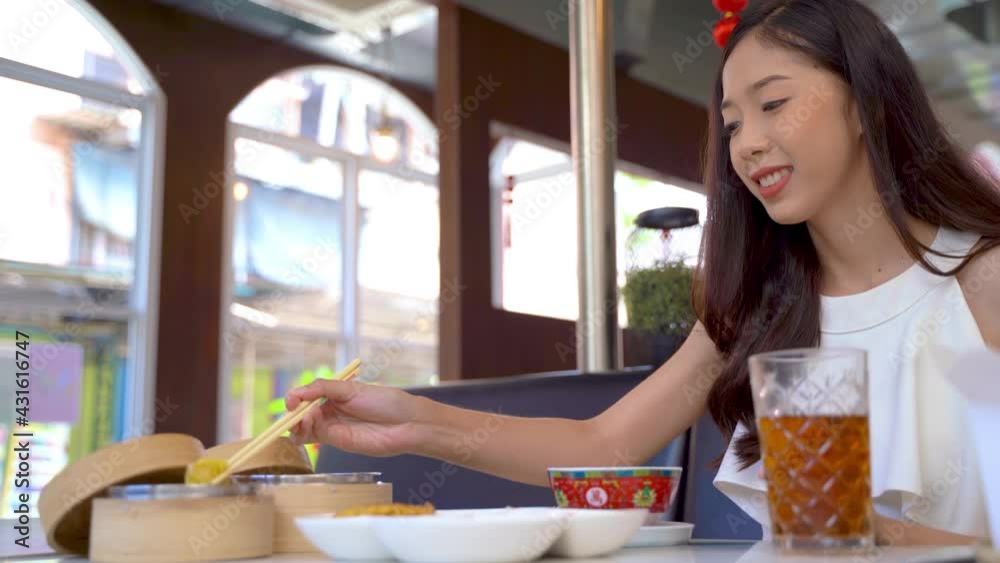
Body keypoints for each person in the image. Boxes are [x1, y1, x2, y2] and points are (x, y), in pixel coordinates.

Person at [286, 0, 1000, 546]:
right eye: (731, 124)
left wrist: (882, 536)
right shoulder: (761, 307)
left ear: (866, 103)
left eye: (774, 105)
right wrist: (414, 420)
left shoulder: (981, 281)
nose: (747, 144)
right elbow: (603, 447)